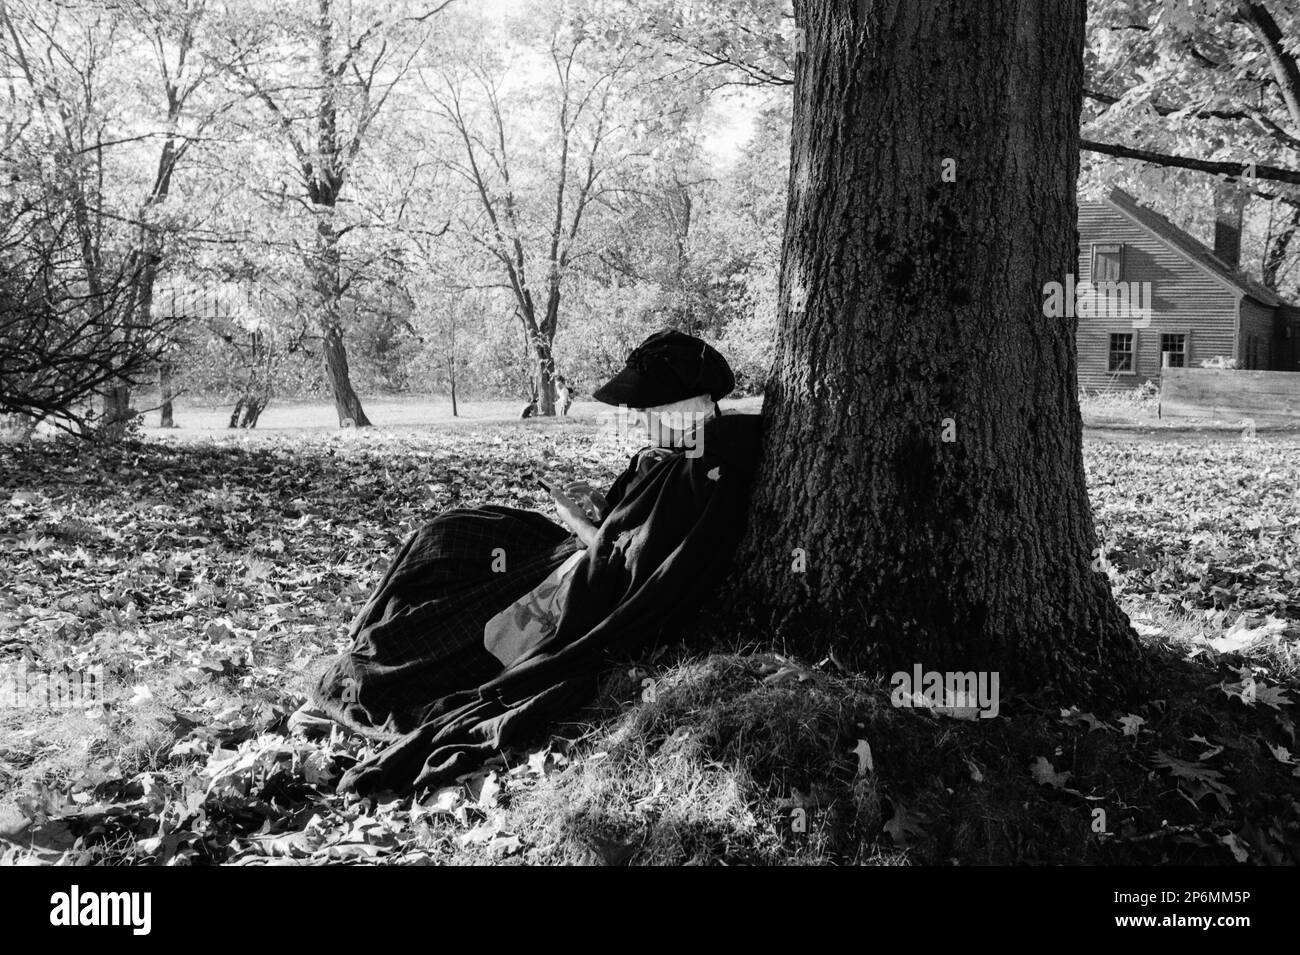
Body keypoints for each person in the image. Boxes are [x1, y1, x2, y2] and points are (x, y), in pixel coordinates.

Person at [300, 329, 762, 795]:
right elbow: (632, 525)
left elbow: (626, 568)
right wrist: (604, 507)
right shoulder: (675, 451)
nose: (640, 422)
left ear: (680, 409)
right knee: (453, 534)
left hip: (582, 585)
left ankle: (376, 669)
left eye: (647, 412)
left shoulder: (702, 470)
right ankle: (378, 637)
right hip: (577, 552)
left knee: (463, 622)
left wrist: (578, 521)